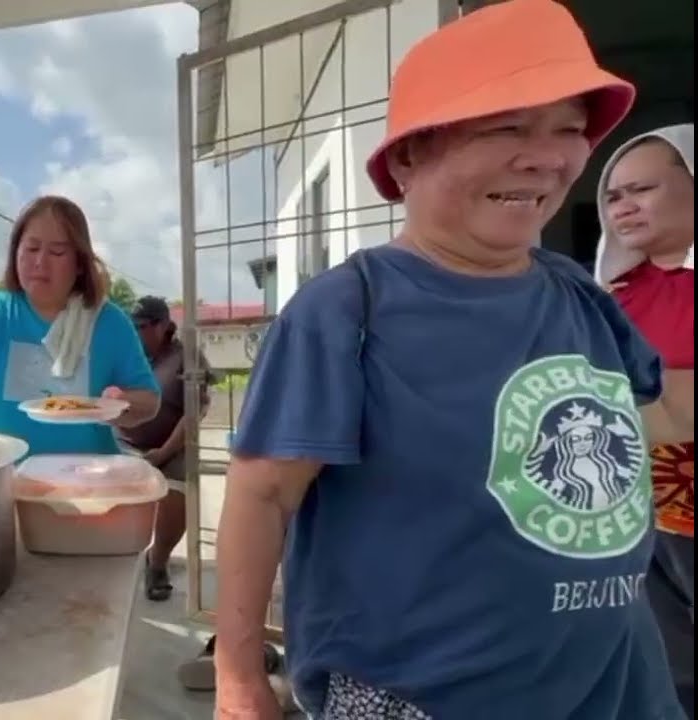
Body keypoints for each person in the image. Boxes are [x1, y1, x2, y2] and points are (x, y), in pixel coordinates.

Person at [213, 2, 692, 719]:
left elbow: (662, 414)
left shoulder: (578, 293)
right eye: (507, 127)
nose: (549, 156)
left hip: (619, 684)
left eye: (568, 129)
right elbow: (262, 494)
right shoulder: (347, 310)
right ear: (409, 155)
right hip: (419, 698)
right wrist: (239, 677)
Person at [0, 195, 159, 455]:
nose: (40, 262)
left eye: (57, 252)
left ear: (80, 263)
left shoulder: (110, 322)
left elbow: (149, 399)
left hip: (90, 480)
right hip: (5, 478)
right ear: (16, 252)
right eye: (32, 249)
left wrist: (122, 405)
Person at [595, 123, 695, 719]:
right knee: (665, 661)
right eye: (614, 195)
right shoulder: (607, 295)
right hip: (634, 512)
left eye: (643, 190)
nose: (625, 207)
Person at [118, 295, 213, 601]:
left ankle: (157, 562)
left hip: (170, 443)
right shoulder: (127, 354)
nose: (135, 333)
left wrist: (163, 453)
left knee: (177, 488)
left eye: (141, 327)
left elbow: (194, 411)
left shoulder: (186, 357)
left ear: (162, 326)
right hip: (123, 442)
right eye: (131, 327)